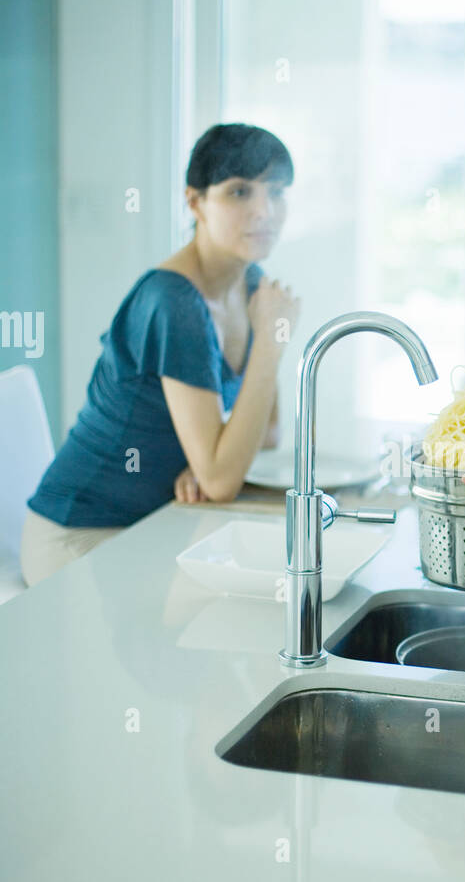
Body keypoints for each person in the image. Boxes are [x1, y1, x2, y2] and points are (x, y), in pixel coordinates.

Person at [21, 123, 300, 586]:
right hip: (81, 532)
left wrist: (204, 458)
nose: (264, 210)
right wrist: (271, 343)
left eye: (276, 191)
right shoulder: (174, 302)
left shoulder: (253, 286)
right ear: (195, 202)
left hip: (157, 520)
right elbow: (221, 482)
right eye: (239, 192)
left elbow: (266, 435)